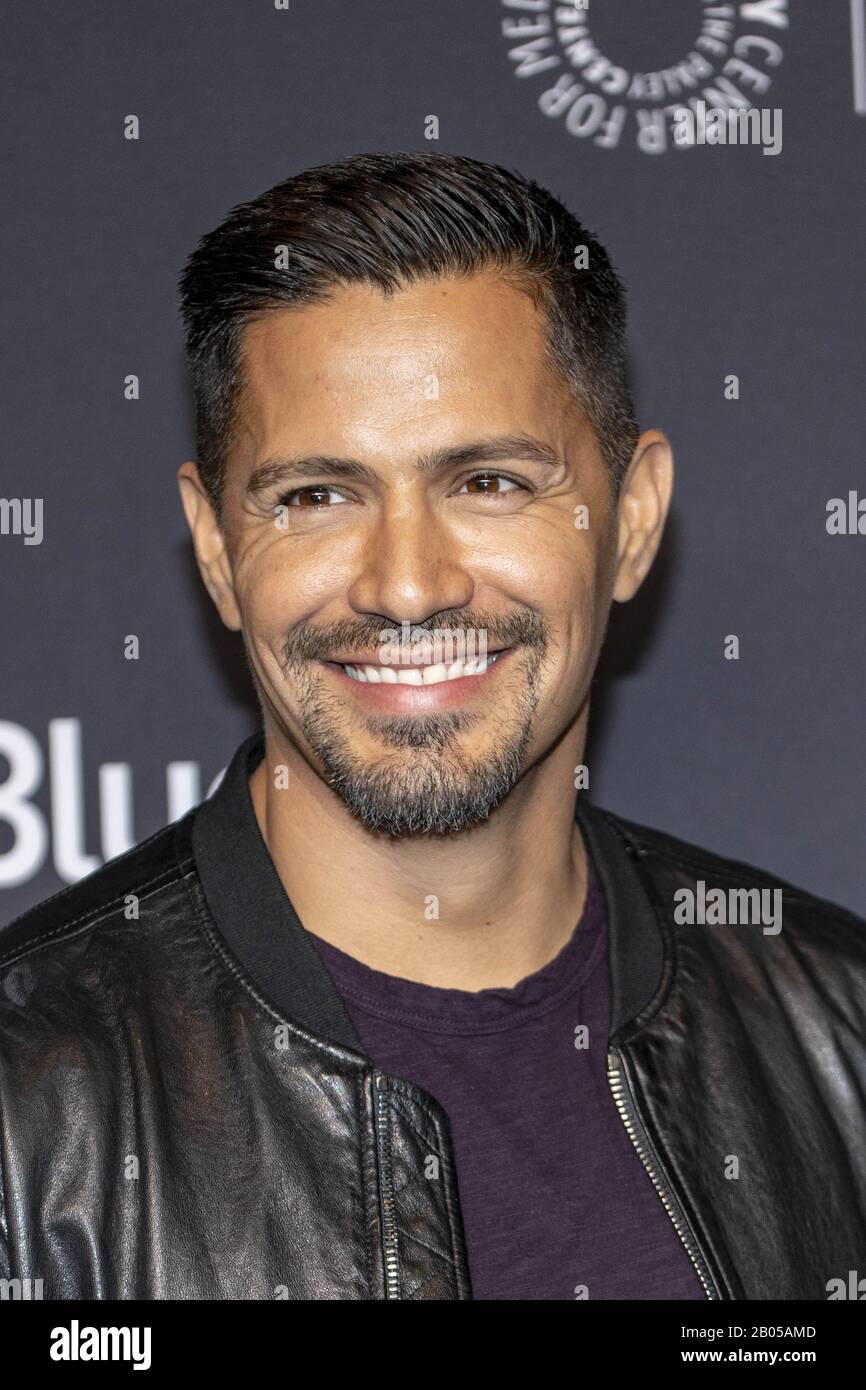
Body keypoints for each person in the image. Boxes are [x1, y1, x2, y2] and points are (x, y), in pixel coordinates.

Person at [1, 152, 864, 1301]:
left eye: (487, 482)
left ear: (631, 519)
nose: (405, 586)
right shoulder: (27, 1110)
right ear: (215, 550)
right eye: (316, 496)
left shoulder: (839, 1031)